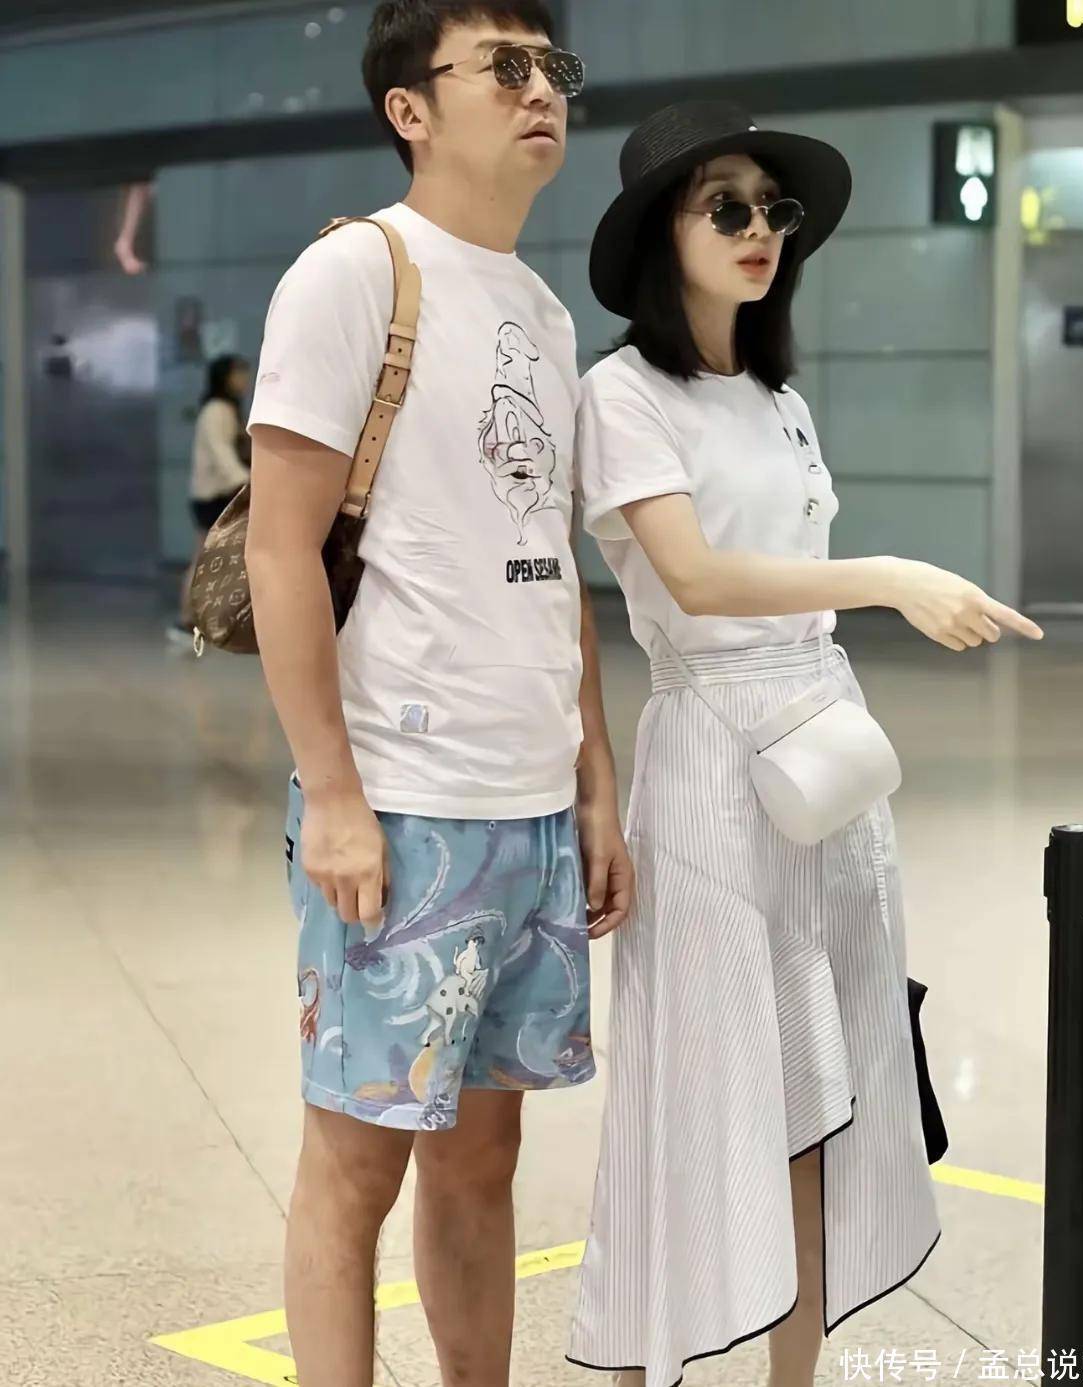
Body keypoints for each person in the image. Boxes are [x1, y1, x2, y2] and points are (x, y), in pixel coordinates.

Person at [566, 101, 1045, 1387]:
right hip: (710, 759)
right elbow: (693, 578)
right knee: (696, 1086)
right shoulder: (619, 394)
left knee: (820, 1093)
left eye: (772, 209)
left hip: (825, 751)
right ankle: (642, 1362)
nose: (759, 229)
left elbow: (779, 577)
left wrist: (864, 597)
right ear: (660, 233)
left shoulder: (780, 400)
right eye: (724, 206)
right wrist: (887, 575)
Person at [243, 5, 632, 1387]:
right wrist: (335, 793)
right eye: (504, 68)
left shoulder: (540, 308)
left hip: (528, 803)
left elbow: (551, 563)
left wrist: (594, 781)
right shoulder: (356, 272)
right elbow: (278, 547)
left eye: (553, 67)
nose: (541, 91)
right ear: (409, 110)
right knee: (357, 1158)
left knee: (482, 1153)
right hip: (404, 800)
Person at [169, 353, 251, 646]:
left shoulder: (228, 409)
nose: (245, 379)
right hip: (214, 496)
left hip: (221, 494)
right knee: (202, 560)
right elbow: (222, 456)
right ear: (224, 377)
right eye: (239, 373)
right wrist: (248, 481)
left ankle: (199, 620)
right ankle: (185, 620)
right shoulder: (217, 411)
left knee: (210, 560)